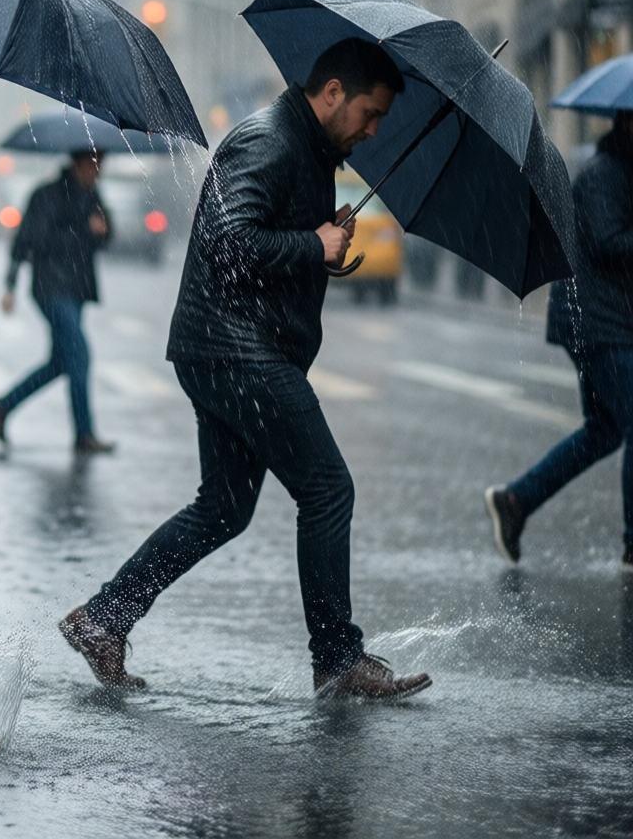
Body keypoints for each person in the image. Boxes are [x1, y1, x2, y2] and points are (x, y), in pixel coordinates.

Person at [58, 38, 432, 700]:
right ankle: (337, 659)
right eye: (370, 112)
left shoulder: (309, 149)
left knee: (224, 506)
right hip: (237, 351)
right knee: (326, 490)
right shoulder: (270, 140)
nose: (374, 129)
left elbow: (265, 240)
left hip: (229, 347)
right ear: (333, 92)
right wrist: (310, 243)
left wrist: (320, 244)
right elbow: (227, 245)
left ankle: (104, 618)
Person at [486, 110, 633, 568]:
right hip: (597, 322)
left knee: (604, 431)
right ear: (627, 123)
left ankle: (516, 501)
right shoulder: (603, 175)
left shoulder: (622, 171)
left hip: (605, 320)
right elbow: (608, 243)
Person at [0, 149, 114, 453]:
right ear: (79, 162)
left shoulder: (93, 196)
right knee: (80, 356)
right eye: (94, 164)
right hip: (50, 287)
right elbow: (31, 239)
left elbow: (106, 237)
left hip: (77, 288)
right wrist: (10, 285)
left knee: (62, 361)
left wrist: (102, 230)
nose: (98, 171)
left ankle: (4, 405)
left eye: (101, 165)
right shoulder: (46, 195)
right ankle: (84, 434)